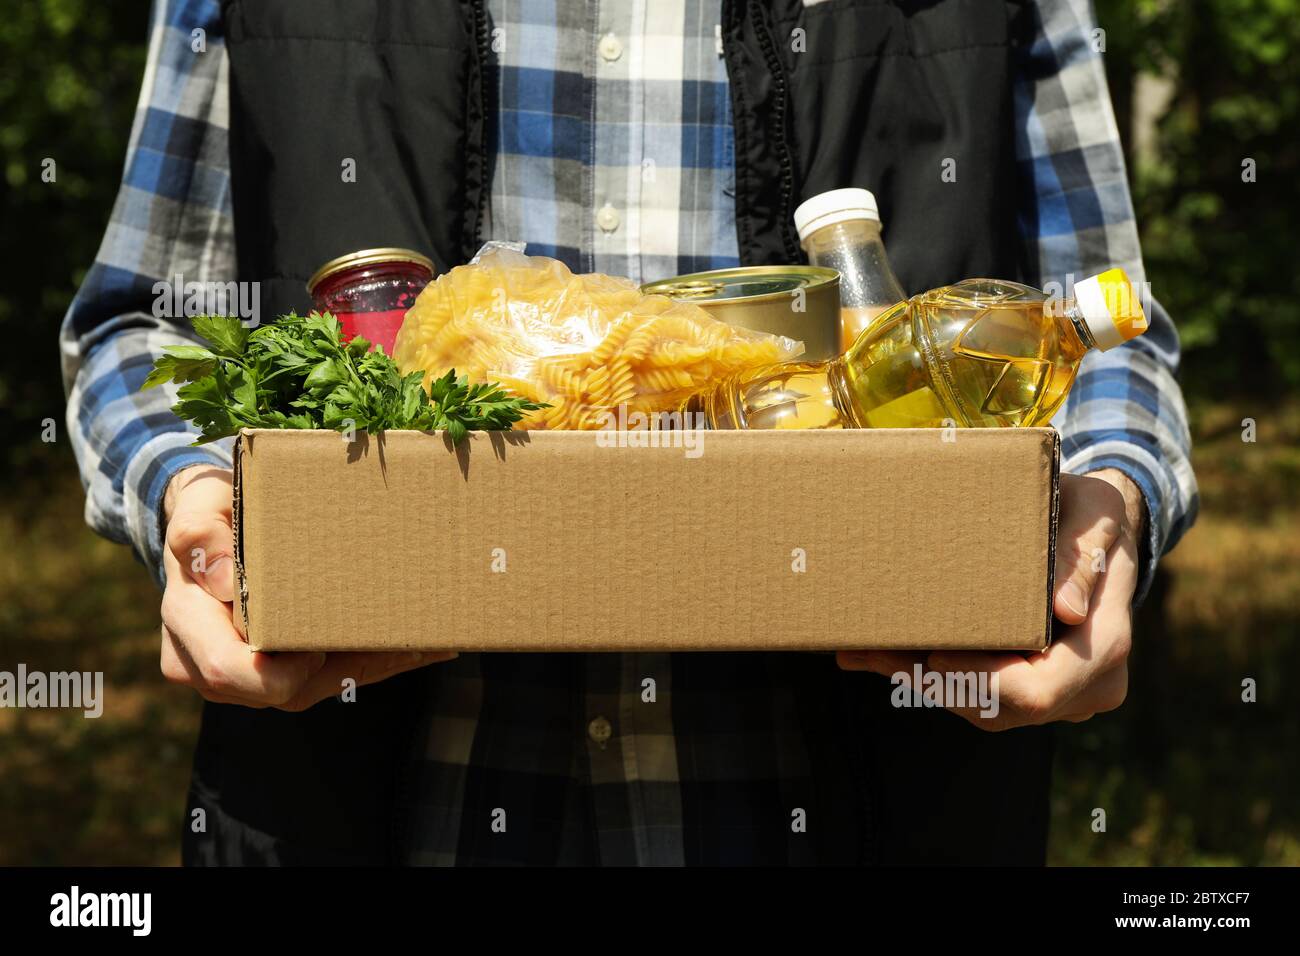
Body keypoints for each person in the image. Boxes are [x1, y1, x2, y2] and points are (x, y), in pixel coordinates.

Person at [61, 0, 1197, 865]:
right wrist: (190, 497)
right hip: (367, 802)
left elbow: (1105, 326)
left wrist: (1105, 513)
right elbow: (142, 324)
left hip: (862, 792)